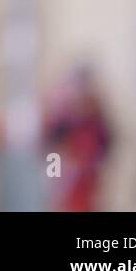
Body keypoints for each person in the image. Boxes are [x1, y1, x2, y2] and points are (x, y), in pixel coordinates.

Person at [42, 63, 112, 211]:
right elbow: (52, 148)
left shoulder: (95, 122)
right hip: (68, 180)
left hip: (86, 182)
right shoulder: (64, 119)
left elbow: (104, 147)